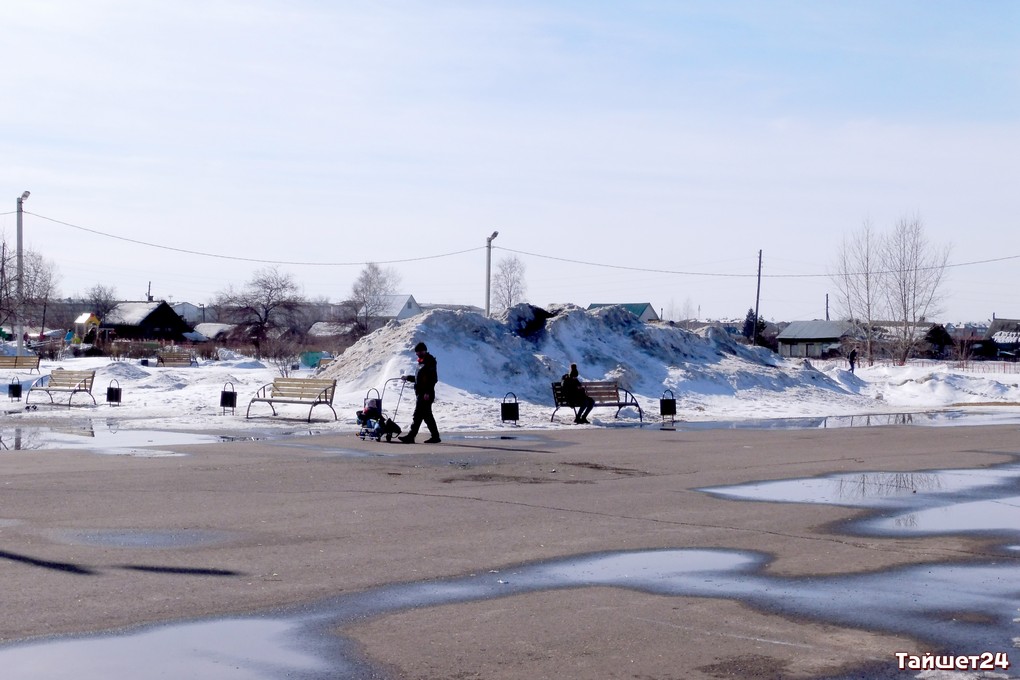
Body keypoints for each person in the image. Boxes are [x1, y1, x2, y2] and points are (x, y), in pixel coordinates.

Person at [398, 342, 441, 444]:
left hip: (426, 394)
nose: (417, 354)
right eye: (417, 353)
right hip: (420, 393)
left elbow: (433, 379)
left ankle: (411, 436)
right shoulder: (421, 363)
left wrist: (427, 392)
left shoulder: (430, 362)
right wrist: (408, 377)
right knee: (426, 416)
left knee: (418, 415)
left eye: (419, 352)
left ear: (424, 351)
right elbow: (418, 379)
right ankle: (435, 436)